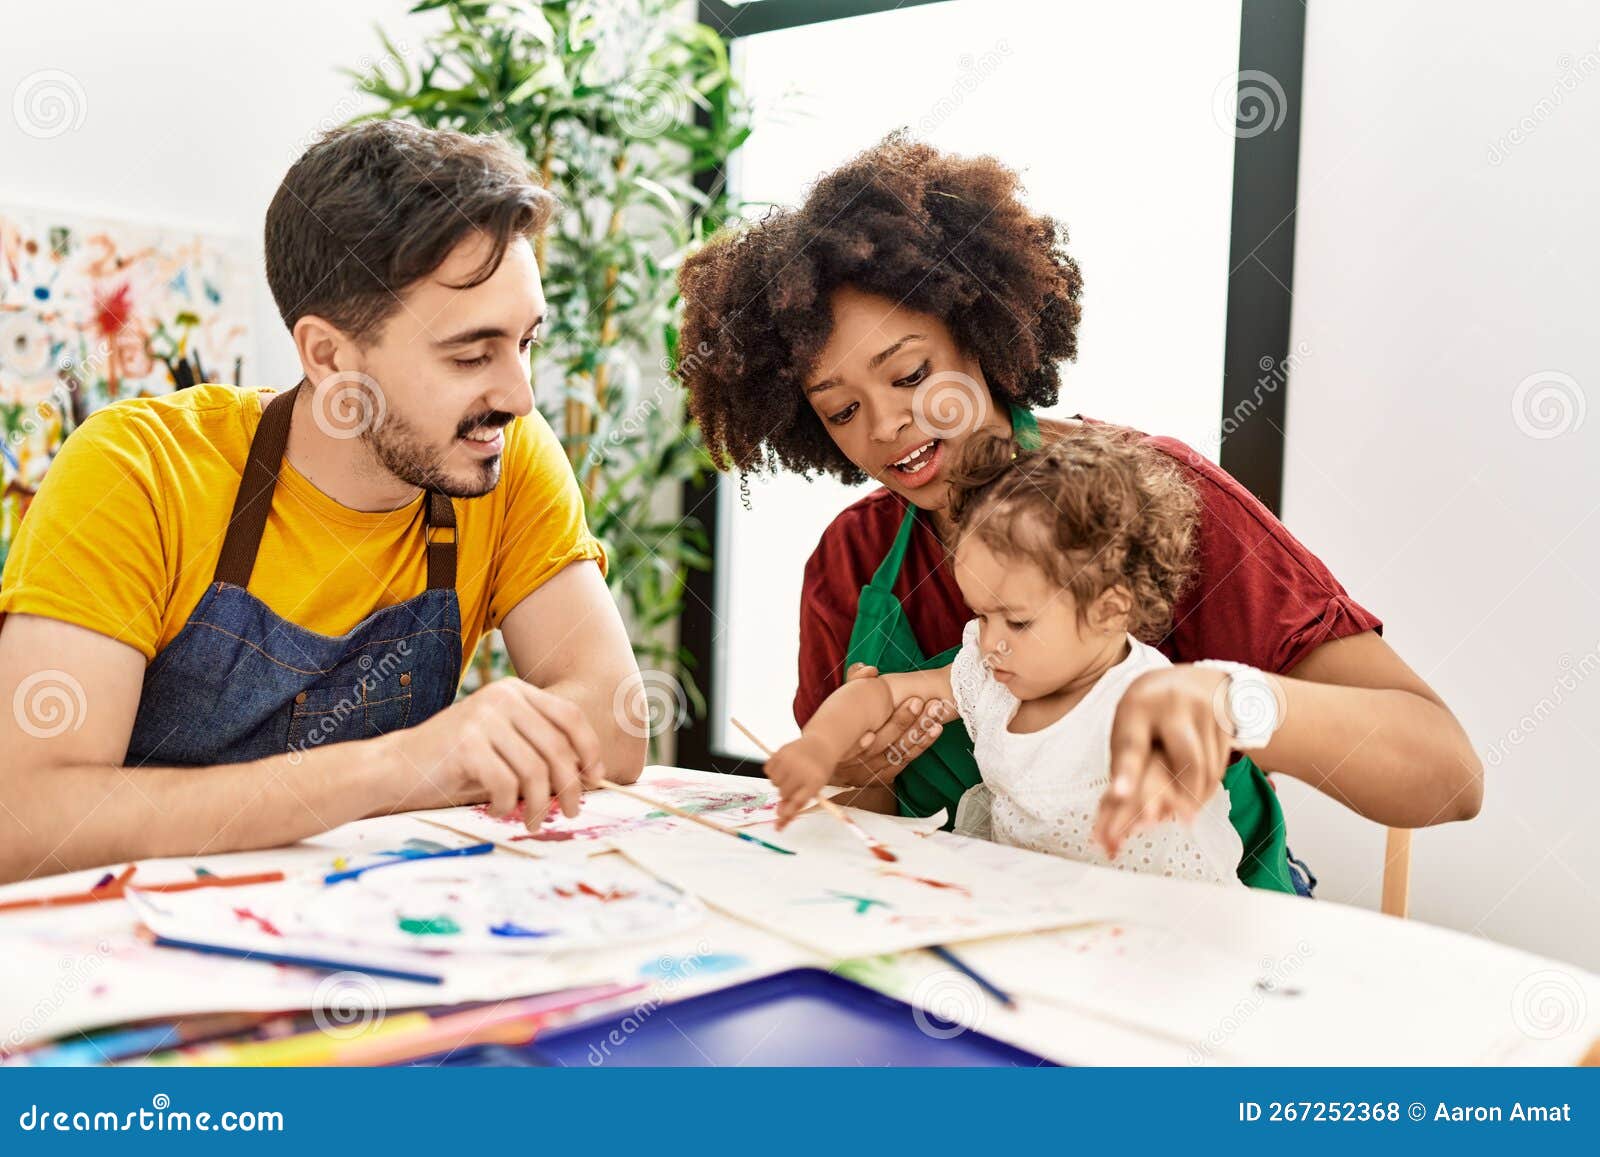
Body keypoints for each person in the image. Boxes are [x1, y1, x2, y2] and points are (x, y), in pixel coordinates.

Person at [676, 134, 1482, 891]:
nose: (885, 426)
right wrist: (865, 772)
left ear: (978, 336)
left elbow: (1449, 776)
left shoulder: (1151, 498)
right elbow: (857, 840)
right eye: (841, 411)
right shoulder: (850, 565)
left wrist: (1234, 701)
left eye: (912, 373)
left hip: (1213, 948)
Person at [0, 122, 644, 883]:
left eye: (526, 341)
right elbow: (28, 819)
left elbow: (618, 722)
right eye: (472, 354)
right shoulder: (137, 470)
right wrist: (398, 765)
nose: (518, 393)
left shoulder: (499, 448)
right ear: (331, 355)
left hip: (373, 925)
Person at [765, 427, 1247, 886]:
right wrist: (821, 748)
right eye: (981, 615)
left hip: (1166, 925)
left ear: (1109, 610)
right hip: (1040, 914)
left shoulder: (1141, 697)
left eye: (1017, 622)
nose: (990, 641)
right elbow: (880, 693)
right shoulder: (988, 674)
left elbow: (1232, 716)